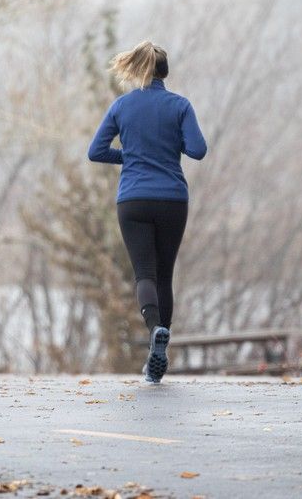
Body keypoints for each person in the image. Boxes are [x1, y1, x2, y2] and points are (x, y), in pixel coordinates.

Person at [87, 40, 207, 384]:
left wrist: (131, 156)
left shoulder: (121, 106)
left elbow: (95, 151)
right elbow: (198, 150)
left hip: (133, 199)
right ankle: (161, 350)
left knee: (145, 275)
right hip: (172, 198)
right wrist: (171, 146)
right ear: (164, 72)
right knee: (165, 275)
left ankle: (155, 329)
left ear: (136, 69)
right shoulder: (180, 105)